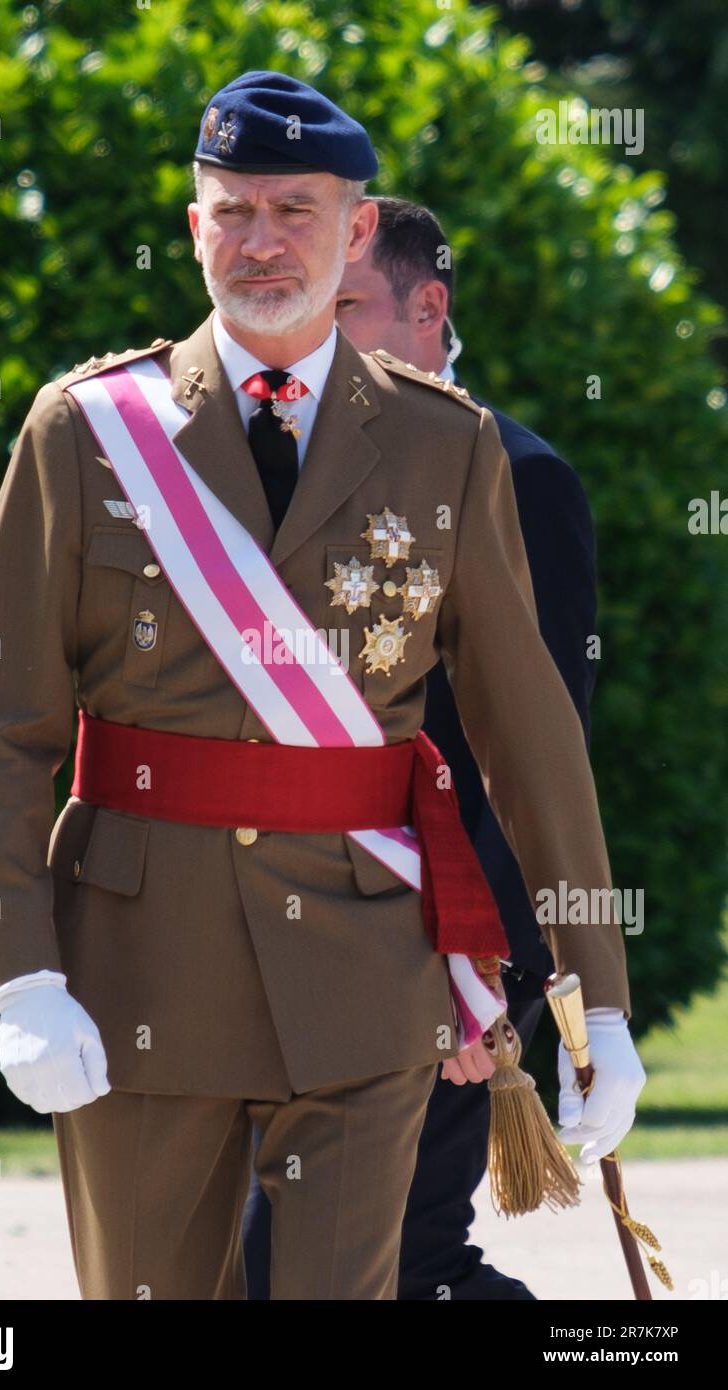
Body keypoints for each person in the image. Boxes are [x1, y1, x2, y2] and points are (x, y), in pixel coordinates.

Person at [0, 71, 642, 1301]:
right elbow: (0, 726)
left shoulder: (448, 444)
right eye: (233, 210)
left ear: (356, 228)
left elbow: (528, 742)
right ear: (193, 221)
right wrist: (23, 967)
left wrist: (598, 995)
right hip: (135, 962)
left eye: (295, 210)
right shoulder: (85, 431)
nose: (261, 242)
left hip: (362, 960)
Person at [242, 195, 636, 1300]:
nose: (321, 337)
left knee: (380, 1260)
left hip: (442, 956)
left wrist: (486, 977)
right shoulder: (291, 477)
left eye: (350, 307)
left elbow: (533, 766)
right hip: (300, 946)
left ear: (430, 311)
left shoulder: (517, 477)